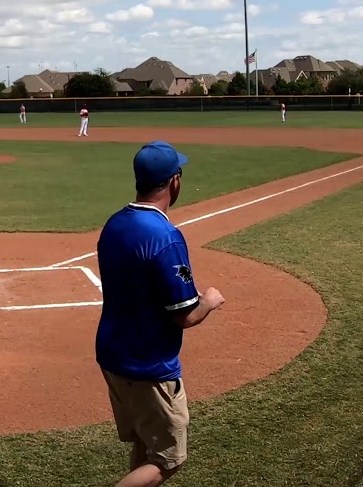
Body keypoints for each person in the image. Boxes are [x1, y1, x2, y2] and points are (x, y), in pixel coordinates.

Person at [95, 140, 226, 487]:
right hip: (148, 363)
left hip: (113, 354)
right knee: (168, 459)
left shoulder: (115, 223)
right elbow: (185, 316)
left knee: (144, 440)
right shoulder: (165, 236)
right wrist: (209, 300)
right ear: (174, 181)